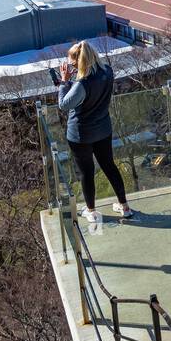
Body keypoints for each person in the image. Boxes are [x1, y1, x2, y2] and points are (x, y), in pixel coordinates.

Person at [57, 41, 133, 225]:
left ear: (80, 62)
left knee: (87, 172)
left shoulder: (82, 84)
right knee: (109, 166)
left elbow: (64, 105)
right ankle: (125, 207)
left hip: (81, 135)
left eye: (73, 64)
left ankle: (91, 211)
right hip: (103, 129)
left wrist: (64, 81)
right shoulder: (107, 71)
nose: (72, 67)